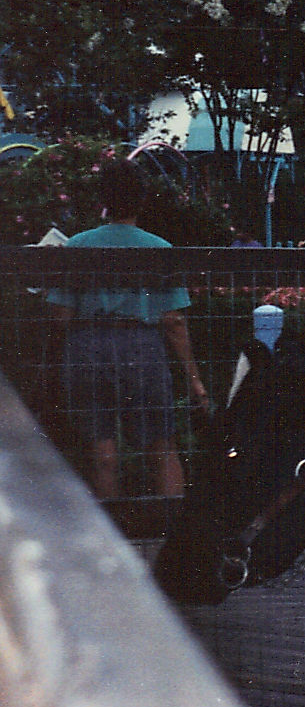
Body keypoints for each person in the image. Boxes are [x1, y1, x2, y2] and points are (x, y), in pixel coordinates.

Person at [46, 160, 209, 498]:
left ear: (103, 199)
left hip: (88, 345)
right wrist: (194, 378)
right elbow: (173, 320)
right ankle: (170, 522)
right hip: (142, 346)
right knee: (162, 445)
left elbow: (60, 316)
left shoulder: (78, 245)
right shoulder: (159, 249)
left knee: (102, 453)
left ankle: (111, 525)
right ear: (143, 200)